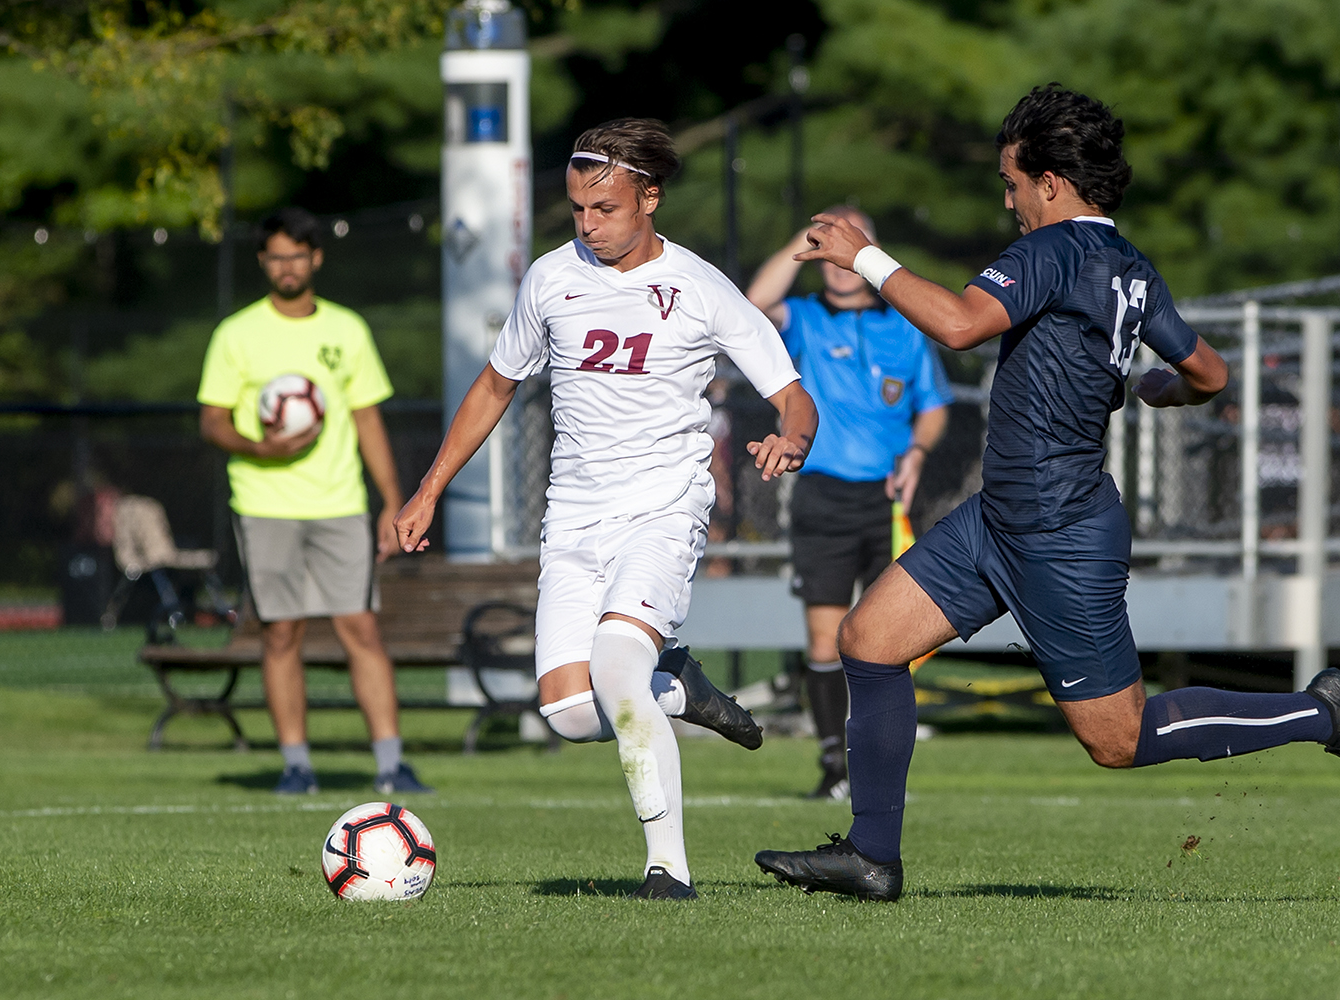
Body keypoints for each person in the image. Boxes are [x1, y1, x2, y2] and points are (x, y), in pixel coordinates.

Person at [754, 85, 1340, 902]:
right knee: (869, 640)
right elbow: (1211, 369)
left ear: (1052, 185)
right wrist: (1172, 392)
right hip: (1000, 516)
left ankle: (1324, 713)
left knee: (1120, 739)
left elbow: (960, 324)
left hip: (1061, 531)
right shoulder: (1131, 265)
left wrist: (865, 257)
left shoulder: (1050, 249)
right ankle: (871, 856)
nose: (1008, 200)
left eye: (1011, 182)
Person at [395, 118, 818, 900]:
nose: (588, 225)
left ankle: (668, 869)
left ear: (649, 197)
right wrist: (428, 488)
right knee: (565, 709)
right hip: (576, 518)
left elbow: (792, 395)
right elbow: (496, 386)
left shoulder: (697, 286)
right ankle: (680, 687)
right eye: (577, 210)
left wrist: (790, 438)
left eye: (605, 209)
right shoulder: (551, 278)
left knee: (618, 669)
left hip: (664, 506)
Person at [198, 206, 430, 796]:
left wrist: (391, 502)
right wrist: (261, 447)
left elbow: (368, 419)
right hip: (264, 503)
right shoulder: (237, 334)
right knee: (281, 634)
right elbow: (213, 422)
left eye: (297, 255)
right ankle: (297, 765)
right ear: (263, 262)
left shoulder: (346, 330)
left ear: (316, 259)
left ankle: (390, 764)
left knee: (360, 628)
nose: (287, 266)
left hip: (340, 504)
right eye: (276, 256)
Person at [747, 207, 953, 800]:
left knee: (887, 640)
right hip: (822, 497)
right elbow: (754, 304)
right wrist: (804, 238)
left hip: (886, 503)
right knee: (823, 639)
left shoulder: (906, 328)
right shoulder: (805, 319)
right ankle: (834, 764)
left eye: (845, 244)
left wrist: (917, 450)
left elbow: (935, 406)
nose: (833, 258)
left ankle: (881, 764)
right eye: (822, 244)